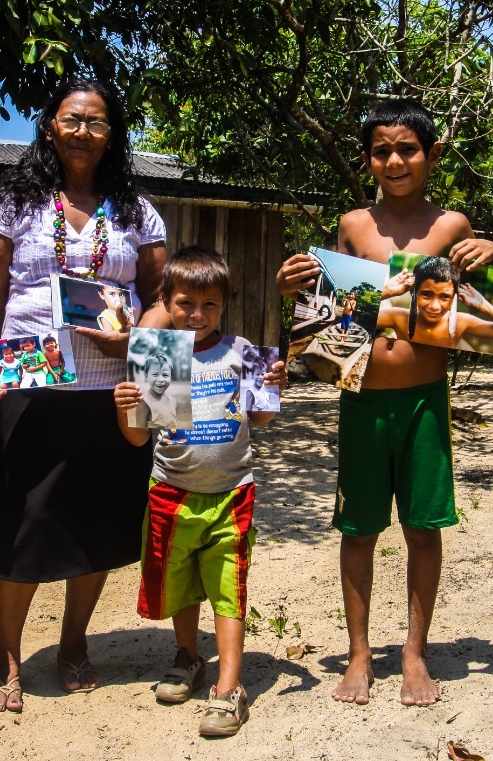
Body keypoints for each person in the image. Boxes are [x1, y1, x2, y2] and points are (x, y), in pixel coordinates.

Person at [274, 98, 493, 706]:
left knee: (424, 530)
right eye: (382, 150)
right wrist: (291, 288)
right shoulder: (353, 225)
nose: (395, 160)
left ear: (431, 154)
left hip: (426, 401)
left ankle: (414, 653)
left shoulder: (452, 225)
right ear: (369, 158)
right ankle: (358, 655)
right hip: (361, 400)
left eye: (408, 149)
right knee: (359, 528)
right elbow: (332, 314)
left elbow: (477, 301)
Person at [0, 77, 169, 711]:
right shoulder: (14, 204)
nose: (83, 132)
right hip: (31, 384)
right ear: (50, 125)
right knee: (25, 523)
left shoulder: (137, 213)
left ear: (113, 134)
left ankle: (75, 642)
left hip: (116, 389)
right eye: (72, 119)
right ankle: (7, 652)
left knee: (98, 520)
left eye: (97, 122)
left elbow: (161, 299)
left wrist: (137, 338)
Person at [112, 247, 285, 737]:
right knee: (180, 583)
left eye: (210, 305)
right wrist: (124, 406)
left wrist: (273, 386)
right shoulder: (156, 357)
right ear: (164, 300)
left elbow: (262, 418)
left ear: (225, 305)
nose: (197, 315)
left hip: (233, 493)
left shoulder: (242, 351)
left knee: (229, 588)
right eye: (186, 302)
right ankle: (187, 656)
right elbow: (138, 436)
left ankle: (229, 686)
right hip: (171, 492)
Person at [377, 256, 493, 349]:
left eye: (444, 297)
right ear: (413, 292)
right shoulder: (397, 317)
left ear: (454, 297)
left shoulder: (461, 322)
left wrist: (484, 306)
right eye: (427, 295)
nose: (435, 306)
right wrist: (386, 292)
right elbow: (355, 317)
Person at [136, 351, 180, 429]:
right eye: (155, 374)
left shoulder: (173, 400)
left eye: (165, 375)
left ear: (171, 377)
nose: (160, 379)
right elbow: (140, 432)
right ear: (146, 376)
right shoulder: (144, 402)